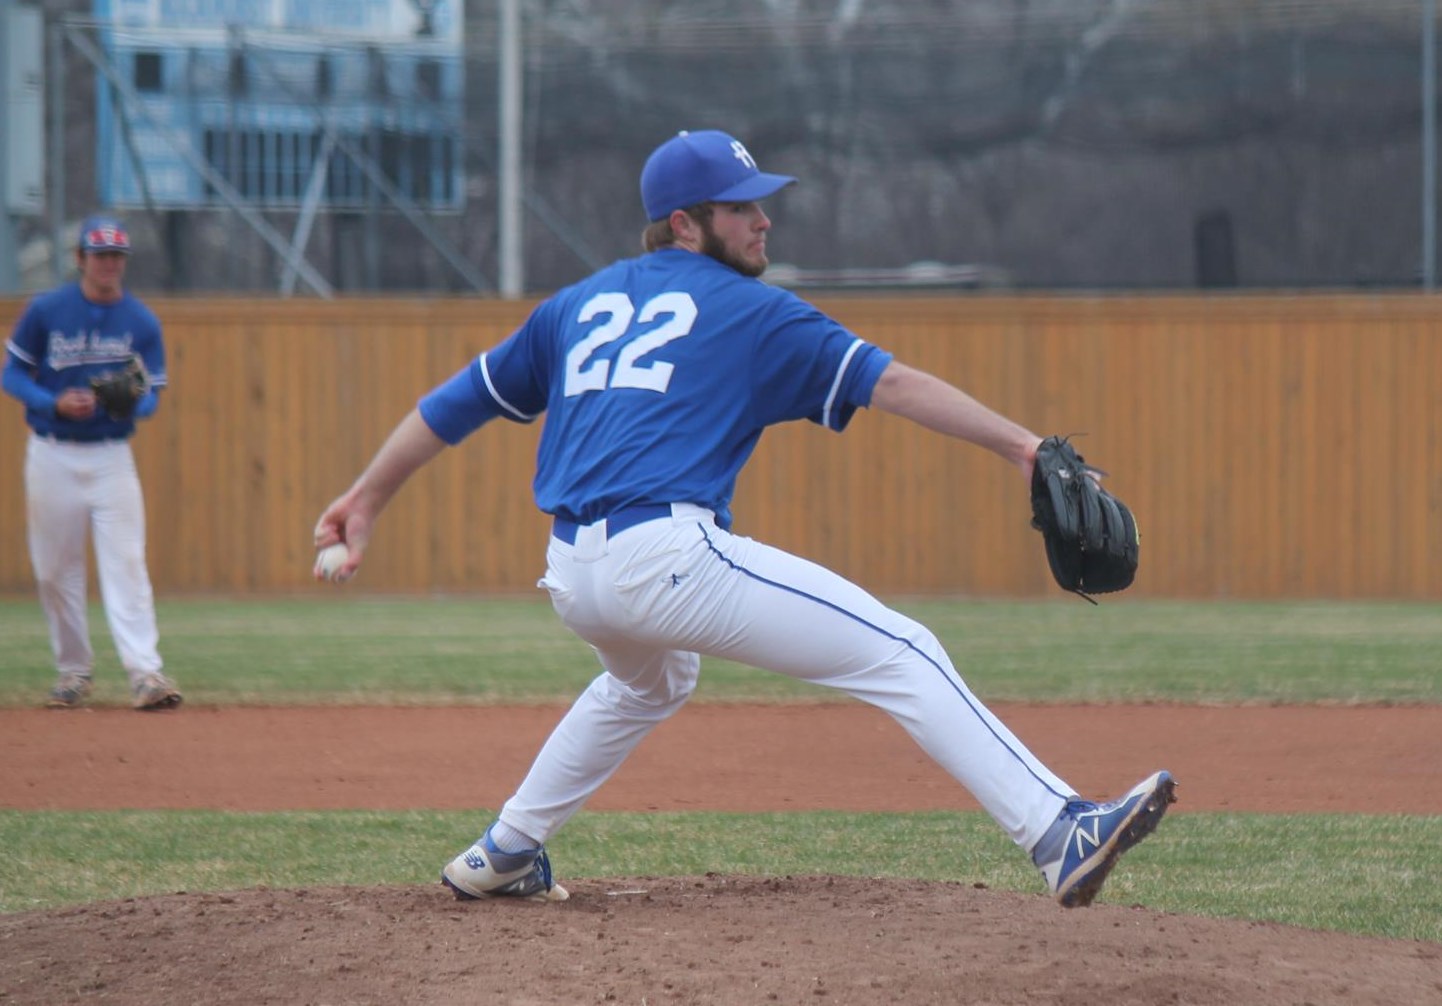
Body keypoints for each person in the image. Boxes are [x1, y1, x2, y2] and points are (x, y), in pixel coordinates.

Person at [312, 130, 1175, 907]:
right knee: (901, 648)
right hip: (664, 555)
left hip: (573, 573)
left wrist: (365, 500)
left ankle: (506, 848)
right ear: (685, 224)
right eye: (742, 207)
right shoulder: (752, 310)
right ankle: (1060, 831)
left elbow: (455, 405)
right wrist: (1021, 447)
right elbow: (895, 384)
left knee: (650, 681)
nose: (763, 220)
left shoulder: (574, 306)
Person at [2, 215, 181, 712]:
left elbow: (151, 399)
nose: (108, 264)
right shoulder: (47, 310)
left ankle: (146, 673)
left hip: (110, 458)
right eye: (99, 255)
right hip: (51, 452)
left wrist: (124, 403)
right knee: (54, 571)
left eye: (116, 256)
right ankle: (74, 672)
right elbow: (12, 376)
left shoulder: (141, 322)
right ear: (80, 259)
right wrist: (51, 401)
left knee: (126, 563)